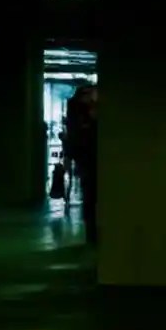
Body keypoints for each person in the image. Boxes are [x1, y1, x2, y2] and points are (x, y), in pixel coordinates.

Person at [66, 86, 99, 245]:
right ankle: (92, 233)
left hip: (86, 159)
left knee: (90, 197)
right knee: (91, 196)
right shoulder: (82, 114)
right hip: (89, 159)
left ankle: (92, 233)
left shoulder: (77, 113)